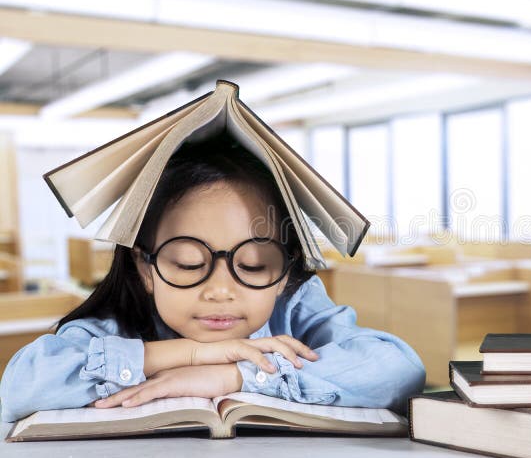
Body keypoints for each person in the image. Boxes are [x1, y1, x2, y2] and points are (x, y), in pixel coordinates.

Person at [0, 134, 425, 422]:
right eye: (187, 264)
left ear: (283, 274)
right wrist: (188, 355)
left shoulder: (295, 306)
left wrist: (236, 375)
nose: (221, 290)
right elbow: (20, 387)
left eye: (254, 266)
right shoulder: (115, 321)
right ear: (145, 268)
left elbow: (397, 369)